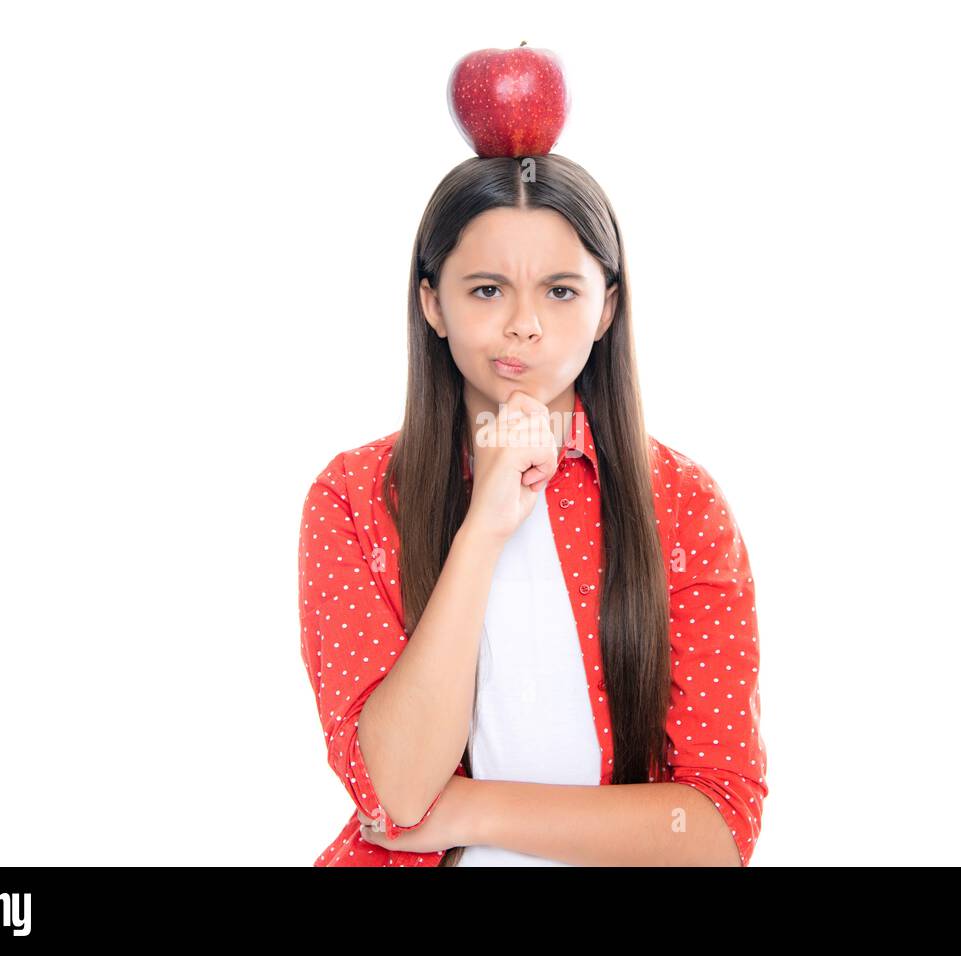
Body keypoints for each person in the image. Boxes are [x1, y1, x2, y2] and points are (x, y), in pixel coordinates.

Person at [298, 153, 767, 866]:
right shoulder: (356, 498)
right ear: (432, 304)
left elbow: (715, 829)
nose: (524, 325)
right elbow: (394, 791)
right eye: (487, 290)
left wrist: (474, 810)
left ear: (607, 306)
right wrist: (483, 527)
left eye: (560, 291)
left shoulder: (681, 502)